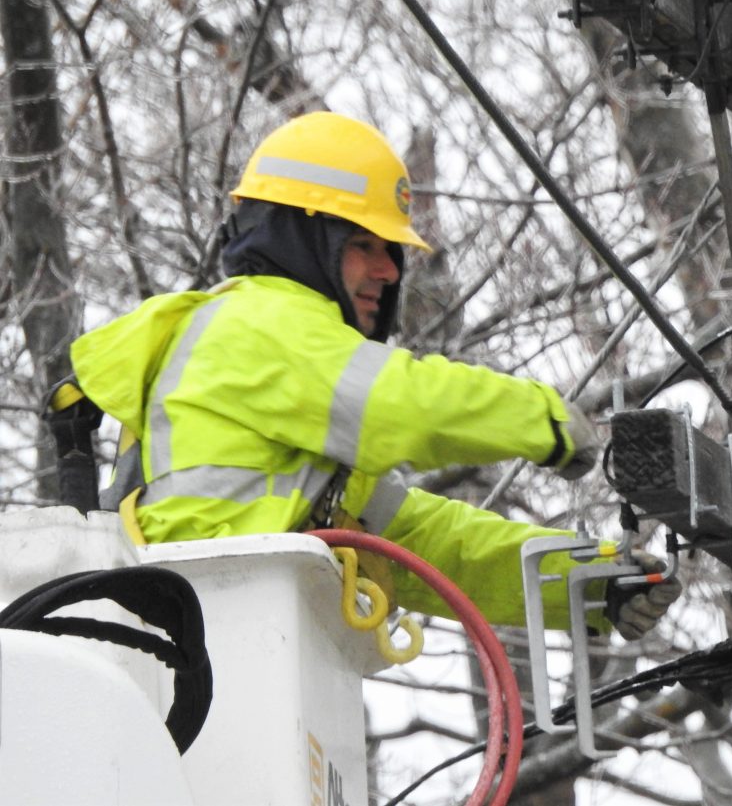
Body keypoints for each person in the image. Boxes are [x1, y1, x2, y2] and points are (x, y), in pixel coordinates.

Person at [68, 111, 679, 638]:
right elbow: (401, 404)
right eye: (364, 244)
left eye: (392, 252)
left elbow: (426, 546)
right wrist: (540, 420)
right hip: (216, 638)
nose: (388, 271)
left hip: (232, 650)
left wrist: (583, 582)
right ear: (301, 235)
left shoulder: (301, 416)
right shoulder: (255, 324)